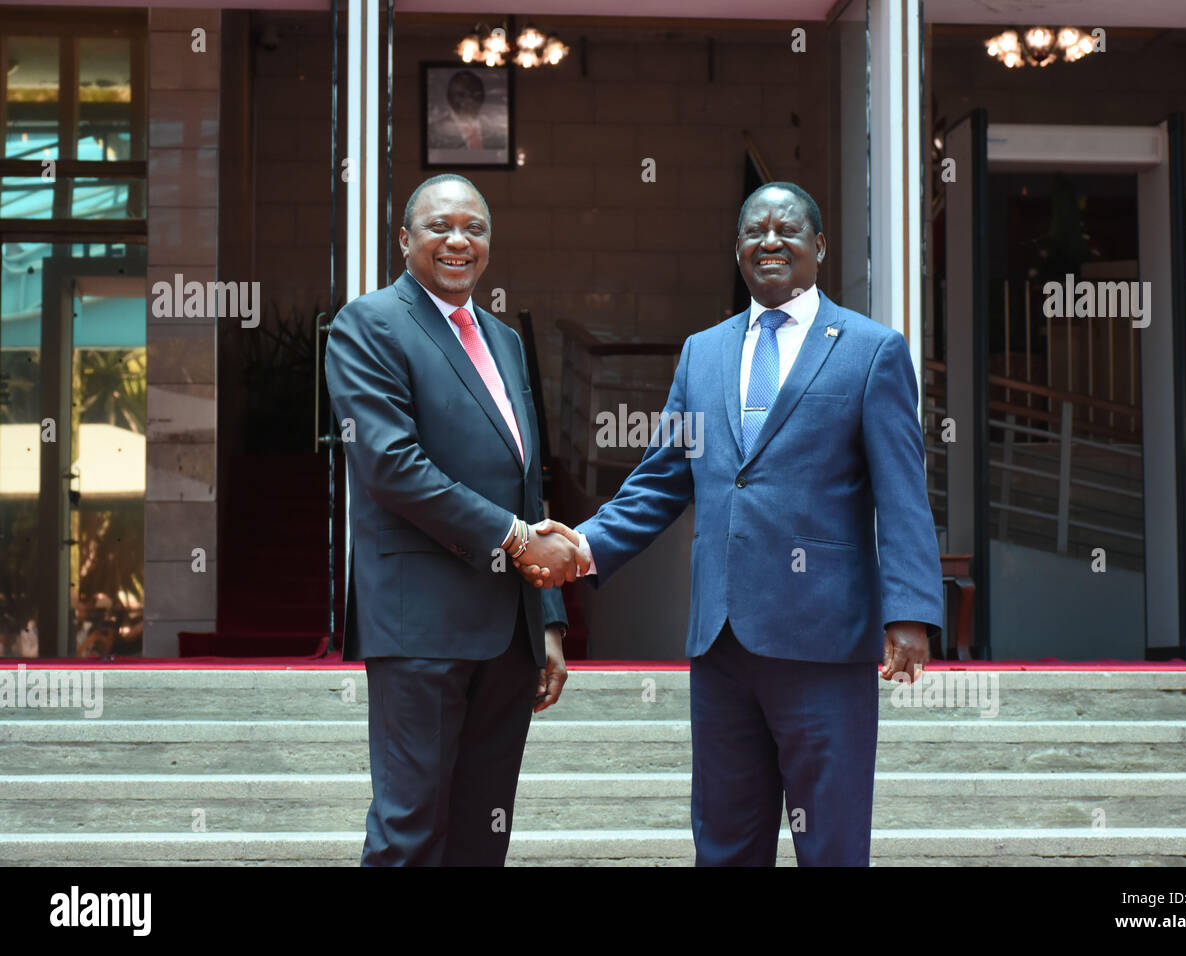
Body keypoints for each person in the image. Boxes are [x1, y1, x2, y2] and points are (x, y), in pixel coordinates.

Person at [524, 182, 943, 866]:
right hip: (722, 646)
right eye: (754, 231)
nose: (769, 241)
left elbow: (902, 493)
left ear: (820, 246)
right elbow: (662, 479)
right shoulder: (704, 353)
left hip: (824, 644)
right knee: (723, 846)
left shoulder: (871, 350)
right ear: (738, 249)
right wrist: (583, 547)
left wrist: (911, 611)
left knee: (832, 845)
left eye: (786, 230)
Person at [324, 173, 587, 866]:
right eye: (440, 226)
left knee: (482, 834)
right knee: (411, 829)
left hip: (508, 633)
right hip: (423, 627)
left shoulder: (502, 339)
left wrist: (550, 620)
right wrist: (515, 538)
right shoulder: (369, 324)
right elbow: (391, 465)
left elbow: (529, 481)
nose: (458, 241)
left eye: (474, 228)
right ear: (405, 239)